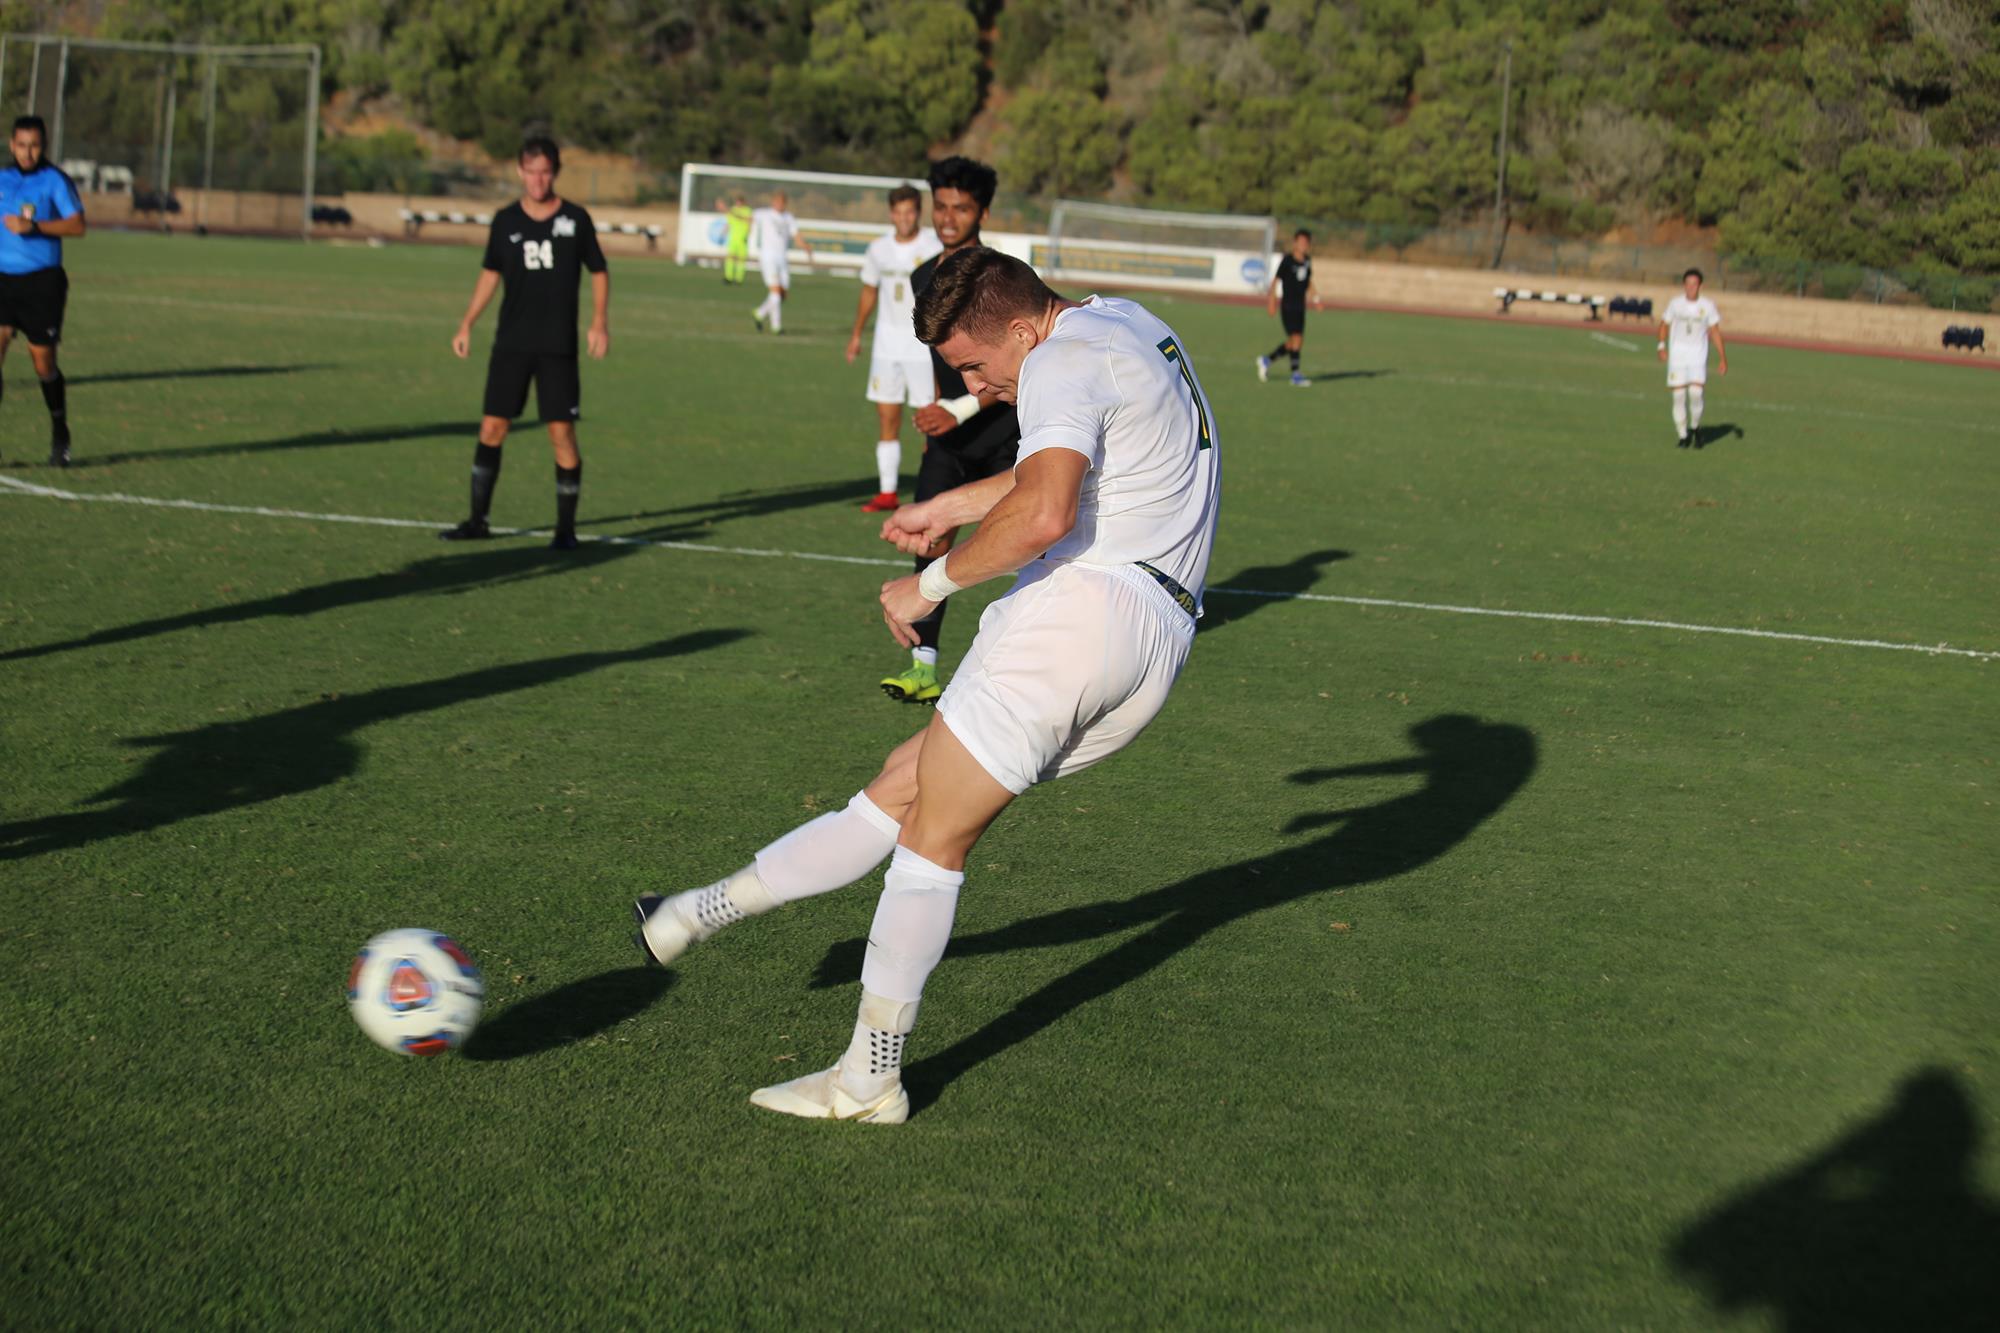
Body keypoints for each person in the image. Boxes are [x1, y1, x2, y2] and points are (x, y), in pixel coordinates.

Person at [633, 246, 1222, 1124]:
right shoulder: (1125, 323)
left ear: (1022, 328)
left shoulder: (1058, 359)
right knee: (905, 785)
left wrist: (932, 581)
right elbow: (1080, 477)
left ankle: (868, 1078)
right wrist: (949, 506)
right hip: (1152, 629)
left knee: (932, 840)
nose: (979, 387)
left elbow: (1050, 512)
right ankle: (691, 914)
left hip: (1081, 616)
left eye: (979, 366)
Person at [880, 156, 1018, 705]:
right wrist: (937, 413)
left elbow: (1013, 364)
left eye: (960, 207)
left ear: (982, 211)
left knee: (1019, 551)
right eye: (940, 205)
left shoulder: (1000, 277)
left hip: (1004, 437)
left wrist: (958, 410)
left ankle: (1013, 669)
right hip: (948, 438)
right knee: (931, 546)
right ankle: (923, 668)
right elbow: (946, 364)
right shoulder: (922, 277)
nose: (946, 217)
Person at [442, 137, 609, 549]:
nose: (538, 179)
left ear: (555, 172)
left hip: (557, 346)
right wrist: (466, 324)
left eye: (545, 171)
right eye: (531, 171)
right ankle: (477, 521)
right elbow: (489, 274)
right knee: (493, 427)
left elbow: (599, 271)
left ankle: (565, 531)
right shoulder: (504, 221)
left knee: (561, 433)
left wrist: (599, 322)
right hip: (511, 344)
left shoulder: (576, 219)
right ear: (520, 172)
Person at [846, 184, 943, 512]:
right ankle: (887, 492)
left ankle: (933, 493)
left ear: (918, 212)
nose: (904, 218)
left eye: (910, 212)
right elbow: (869, 291)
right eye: (898, 212)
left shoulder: (934, 245)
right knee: (887, 418)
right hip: (886, 347)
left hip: (922, 348)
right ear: (891, 214)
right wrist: (857, 334)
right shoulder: (878, 249)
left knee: (930, 420)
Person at [0, 116, 85, 467]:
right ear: (11, 144)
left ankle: (59, 430)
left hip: (42, 283)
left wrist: (33, 225)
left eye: (34, 145)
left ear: (43, 145)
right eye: (21, 145)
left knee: (43, 364)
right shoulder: (2, 178)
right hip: (2, 280)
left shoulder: (55, 181)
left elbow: (78, 225)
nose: (27, 152)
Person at [1659, 267, 1726, 448]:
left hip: (1697, 356)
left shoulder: (1708, 305)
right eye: (1688, 284)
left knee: (1696, 393)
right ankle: (1683, 436)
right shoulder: (1675, 304)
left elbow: (1715, 331)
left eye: (1694, 284)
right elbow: (1664, 324)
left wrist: (1722, 358)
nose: (1691, 287)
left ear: (1700, 286)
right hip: (1678, 357)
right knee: (1679, 396)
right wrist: (1661, 345)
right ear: (1684, 285)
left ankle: (1695, 428)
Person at [1258, 228, 1320, 387]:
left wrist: (1316, 298)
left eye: (1306, 243)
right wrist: (1271, 302)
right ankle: (1295, 375)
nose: (1304, 245)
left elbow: (1308, 282)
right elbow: (1275, 282)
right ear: (1295, 243)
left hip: (1301, 306)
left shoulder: (1307, 261)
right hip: (1288, 306)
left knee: (1295, 342)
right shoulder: (1287, 260)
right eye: (1301, 242)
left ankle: (1267, 360)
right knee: (1297, 339)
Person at [749, 190, 811, 333]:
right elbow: (746, 217)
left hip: (782, 258)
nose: (779, 204)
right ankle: (776, 327)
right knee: (776, 293)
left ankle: (760, 313)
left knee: (782, 295)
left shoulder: (788, 218)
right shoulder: (764, 214)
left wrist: (805, 246)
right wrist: (727, 211)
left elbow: (796, 235)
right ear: (773, 202)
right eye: (777, 201)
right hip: (768, 257)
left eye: (782, 202)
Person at [721, 193, 752, 285]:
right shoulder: (733, 210)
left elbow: (749, 221)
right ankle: (728, 277)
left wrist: (748, 234)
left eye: (739, 202)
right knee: (730, 259)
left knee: (741, 260)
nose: (738, 204)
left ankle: (738, 279)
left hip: (742, 239)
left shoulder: (747, 210)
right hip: (733, 239)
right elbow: (729, 222)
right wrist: (724, 232)